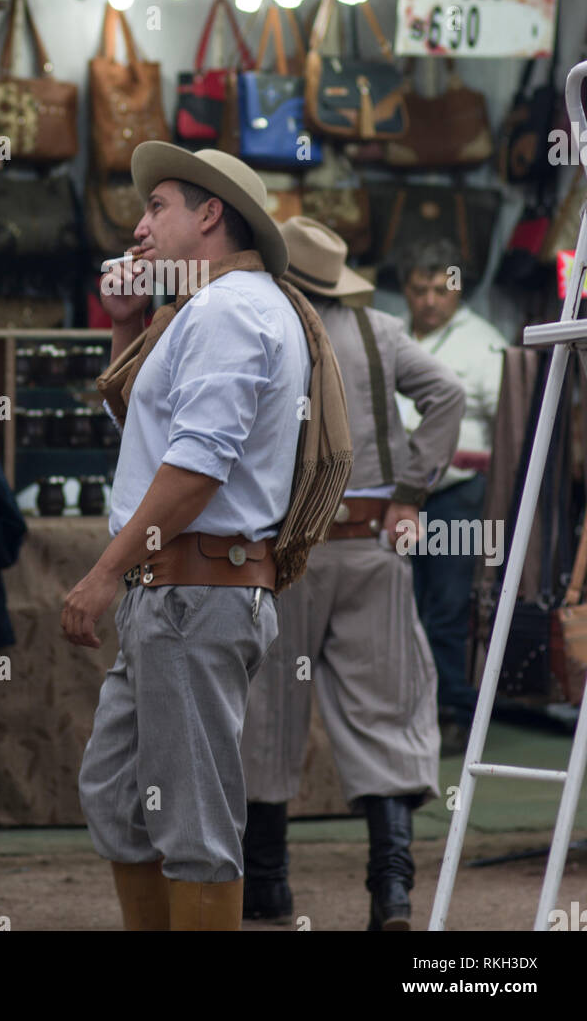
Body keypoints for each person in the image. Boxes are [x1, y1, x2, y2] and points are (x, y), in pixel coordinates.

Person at [62, 147, 352, 932]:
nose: (139, 223)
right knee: (120, 800)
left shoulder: (227, 310)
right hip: (185, 589)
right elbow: (165, 446)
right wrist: (128, 322)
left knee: (192, 828)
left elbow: (195, 472)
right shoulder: (222, 307)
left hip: (192, 590)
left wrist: (102, 574)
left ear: (210, 213)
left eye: (157, 206)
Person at [241, 218, 465, 931]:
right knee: (386, 713)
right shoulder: (381, 331)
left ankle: (269, 888)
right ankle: (390, 893)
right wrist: (410, 492)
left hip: (288, 551)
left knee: (268, 712)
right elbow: (449, 396)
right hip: (373, 545)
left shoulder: (262, 327)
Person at [397, 239, 506, 757]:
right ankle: (415, 712)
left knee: (446, 608)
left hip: (459, 493)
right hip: (400, 495)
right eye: (420, 290)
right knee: (403, 606)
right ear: (406, 291)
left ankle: (457, 714)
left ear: (458, 291)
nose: (431, 300)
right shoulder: (394, 336)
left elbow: (508, 424)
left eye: (442, 290)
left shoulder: (483, 344)